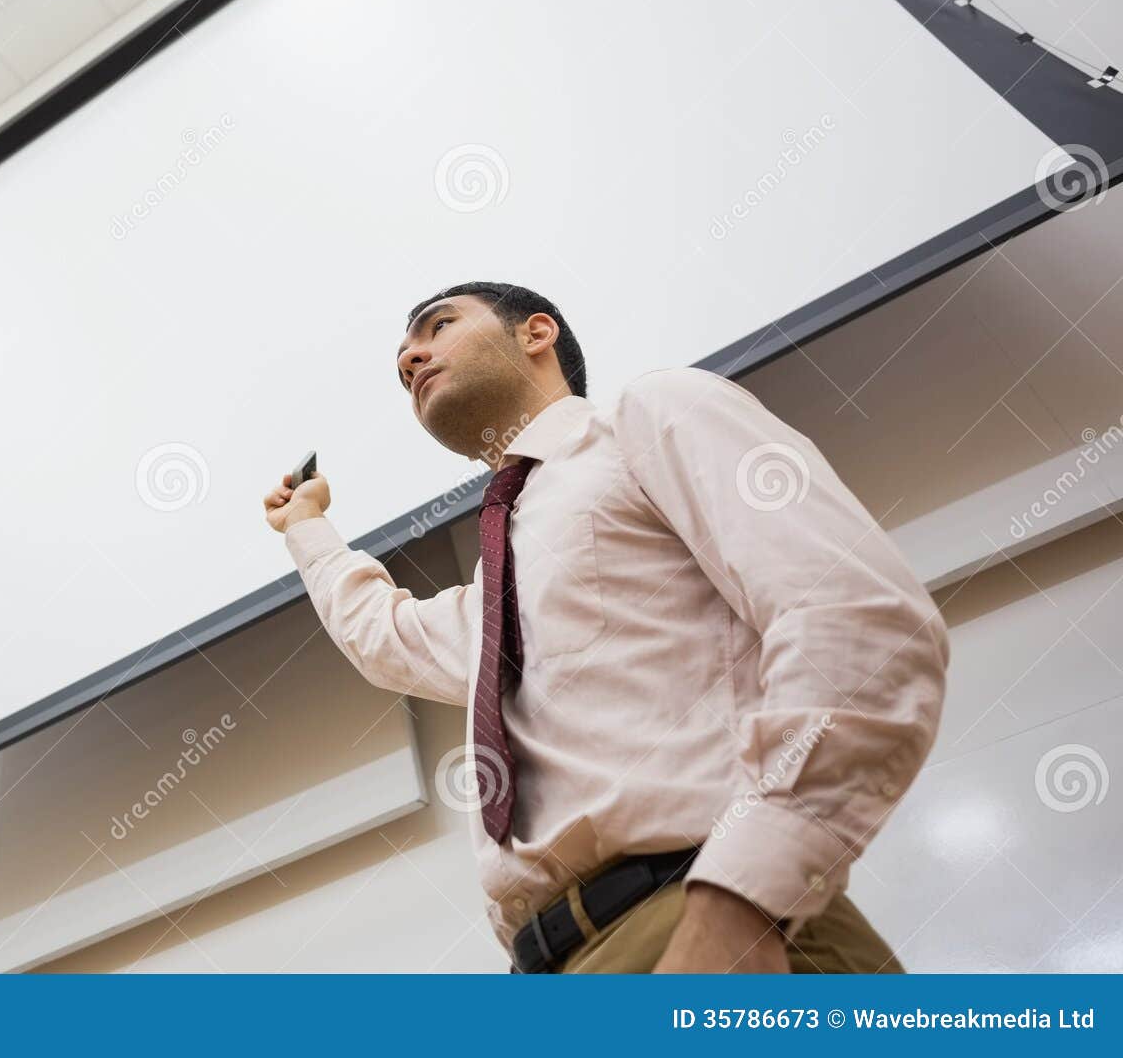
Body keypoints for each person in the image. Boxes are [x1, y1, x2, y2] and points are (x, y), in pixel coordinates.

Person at [262, 281, 948, 973]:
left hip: (707, 922)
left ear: (536, 333)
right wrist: (305, 527)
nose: (411, 358)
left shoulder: (649, 414)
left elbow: (857, 621)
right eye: (402, 361)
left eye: (437, 326)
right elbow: (385, 636)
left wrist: (738, 901)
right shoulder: (499, 586)